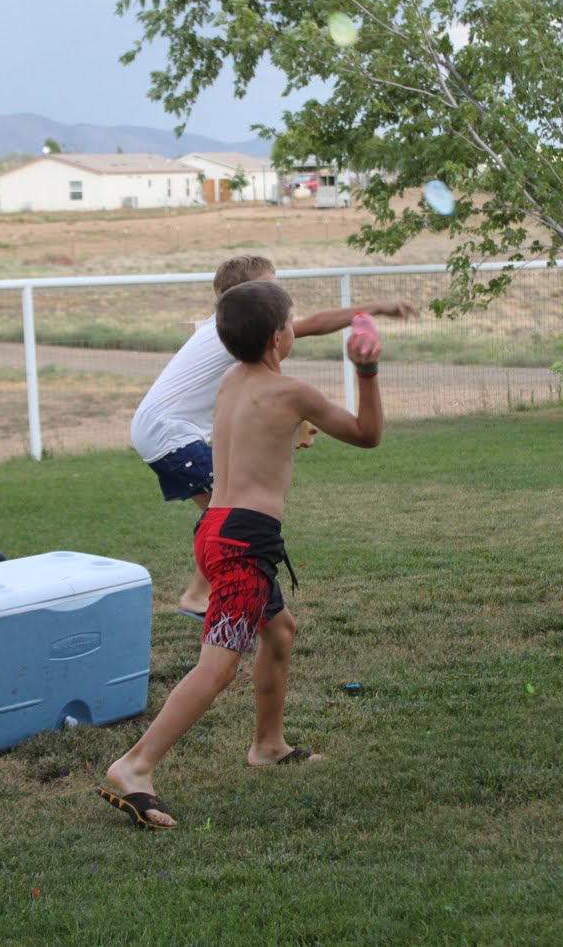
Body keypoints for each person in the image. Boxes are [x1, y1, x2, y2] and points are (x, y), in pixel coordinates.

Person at [99, 279, 384, 829]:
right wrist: (367, 372)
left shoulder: (232, 380)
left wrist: (292, 431)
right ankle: (134, 765)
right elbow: (367, 434)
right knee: (217, 665)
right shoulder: (292, 392)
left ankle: (268, 746)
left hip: (216, 531)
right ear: (281, 337)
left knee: (279, 632)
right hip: (243, 543)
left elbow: (260, 430)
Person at [130, 254, 416, 618]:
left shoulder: (224, 337)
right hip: (166, 430)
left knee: (226, 511)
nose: (280, 298)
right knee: (230, 511)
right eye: (271, 289)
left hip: (165, 429)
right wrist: (377, 307)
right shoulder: (222, 335)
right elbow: (313, 326)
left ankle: (239, 599)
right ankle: (210, 594)